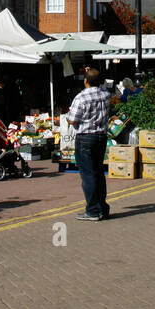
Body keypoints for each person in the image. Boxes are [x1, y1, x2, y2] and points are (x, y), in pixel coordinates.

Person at [68, 69, 110, 221]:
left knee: (88, 174)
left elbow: (72, 120)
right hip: (101, 136)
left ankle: (92, 210)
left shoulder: (81, 97)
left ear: (85, 81)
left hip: (85, 137)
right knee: (98, 172)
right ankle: (102, 208)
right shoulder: (105, 95)